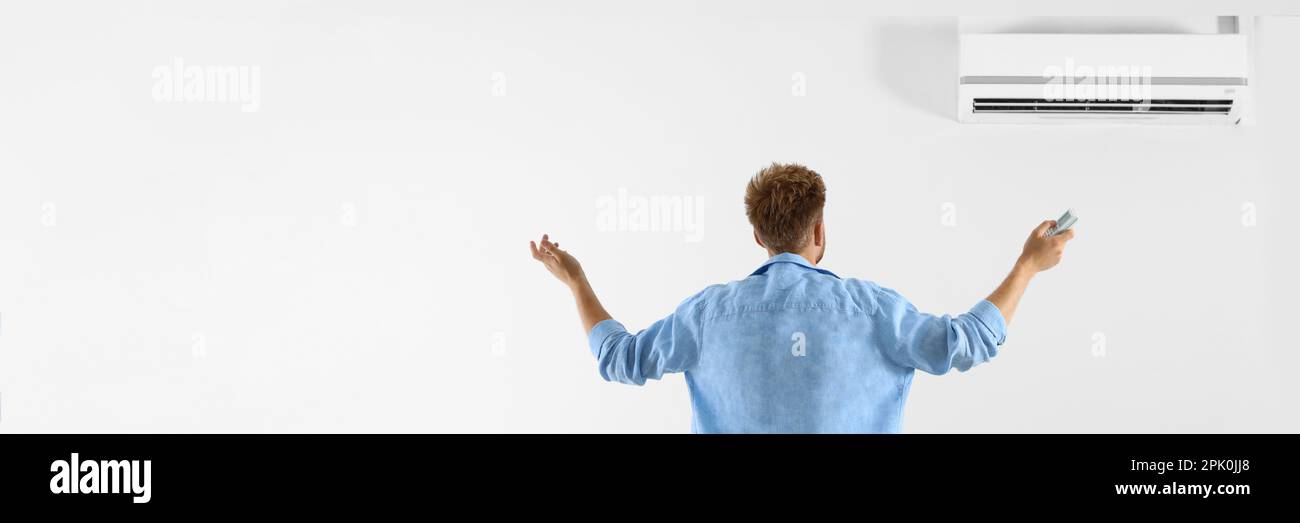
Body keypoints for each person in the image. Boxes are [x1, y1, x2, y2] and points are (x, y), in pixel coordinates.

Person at [529, 162, 1075, 433]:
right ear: (820, 233)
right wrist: (1028, 264)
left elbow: (618, 358)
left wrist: (577, 281)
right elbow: (969, 341)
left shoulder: (706, 315)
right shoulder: (873, 310)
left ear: (758, 238)